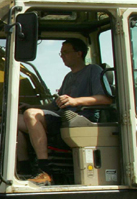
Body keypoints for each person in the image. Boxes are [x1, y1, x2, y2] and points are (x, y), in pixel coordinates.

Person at [17, 39, 113, 186]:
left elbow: (106, 99)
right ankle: (24, 170)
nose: (62, 56)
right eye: (61, 53)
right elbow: (55, 106)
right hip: (62, 117)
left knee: (31, 115)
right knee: (14, 121)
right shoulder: (69, 77)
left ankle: (45, 171)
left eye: (66, 52)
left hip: (81, 119)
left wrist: (75, 101)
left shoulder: (93, 70)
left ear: (79, 53)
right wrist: (31, 106)